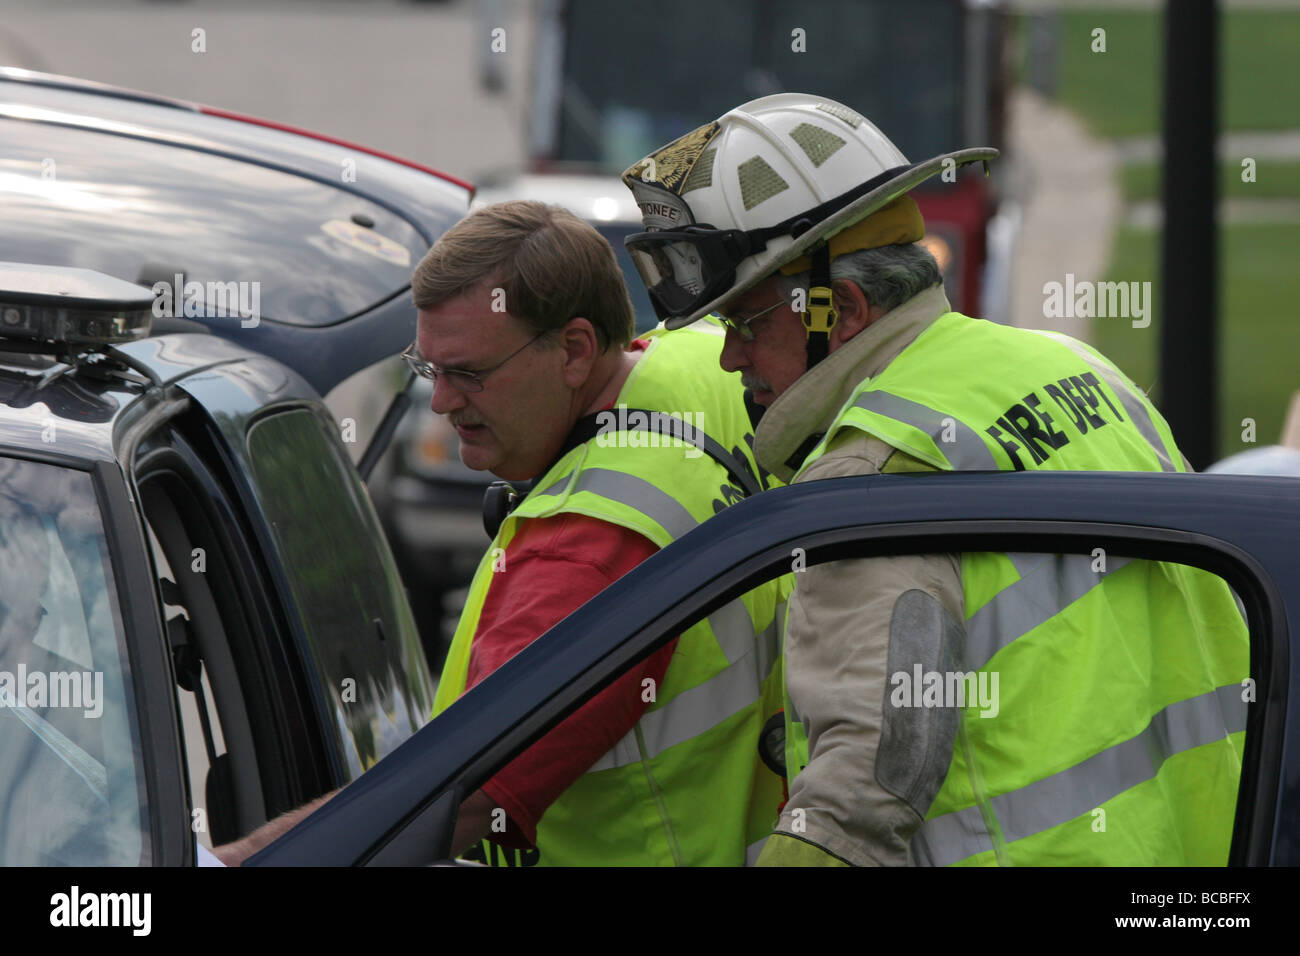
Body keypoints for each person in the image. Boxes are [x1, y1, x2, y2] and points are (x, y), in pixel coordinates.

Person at [619, 93, 1249, 866]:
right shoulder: (1078, 368)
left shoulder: (869, 472)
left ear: (838, 309)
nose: (729, 360)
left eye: (746, 325)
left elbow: (851, 806)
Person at [416, 200, 786, 866]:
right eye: (429, 370)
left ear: (574, 351)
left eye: (468, 373)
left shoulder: (586, 544)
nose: (442, 402)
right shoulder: (710, 364)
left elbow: (447, 801)